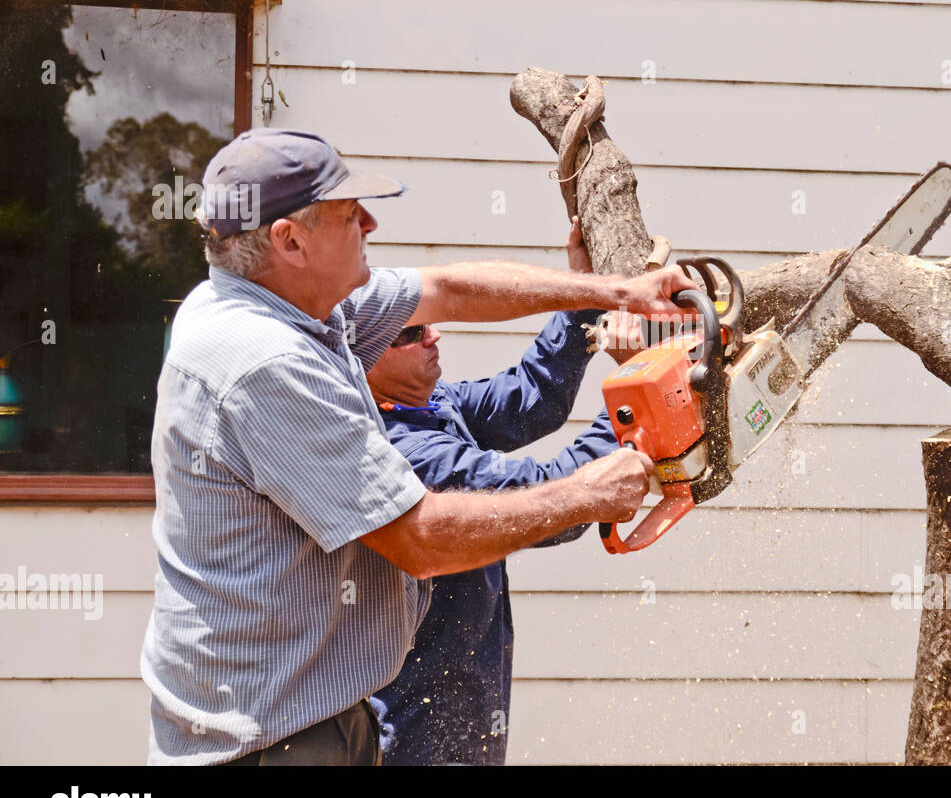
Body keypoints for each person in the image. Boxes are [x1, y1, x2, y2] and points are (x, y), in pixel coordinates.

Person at [139, 128, 691, 765]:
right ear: (290, 240)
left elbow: (450, 289)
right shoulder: (263, 360)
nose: (370, 222)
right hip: (269, 741)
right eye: (349, 214)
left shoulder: (296, 306)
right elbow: (421, 538)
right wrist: (589, 490)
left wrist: (613, 292)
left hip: (317, 712)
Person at [366, 219, 640, 764]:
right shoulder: (398, 452)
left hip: (470, 690)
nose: (433, 335)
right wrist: (639, 395)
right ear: (362, 362)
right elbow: (547, 496)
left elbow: (530, 398)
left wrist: (583, 295)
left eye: (426, 324)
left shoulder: (430, 404)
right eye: (411, 333)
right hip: (417, 720)